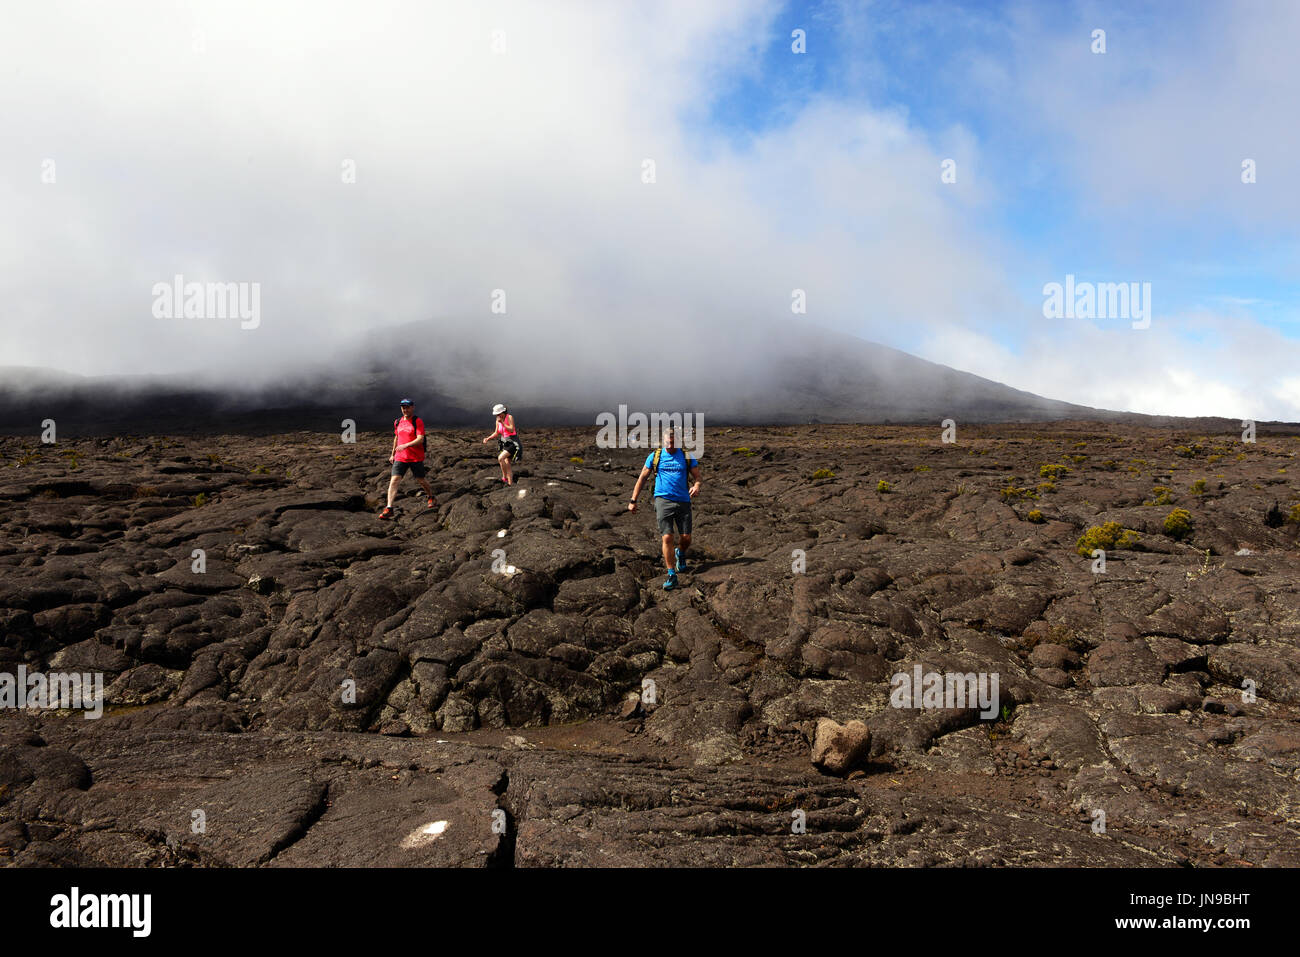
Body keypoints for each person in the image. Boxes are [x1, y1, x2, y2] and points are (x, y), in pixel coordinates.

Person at [628, 427, 701, 590]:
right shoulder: (655, 456)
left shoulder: (686, 456)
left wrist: (696, 486)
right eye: (667, 442)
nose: (670, 445)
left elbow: (697, 477)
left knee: (686, 538)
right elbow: (642, 478)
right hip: (663, 500)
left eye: (673, 442)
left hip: (683, 501)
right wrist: (633, 500)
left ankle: (680, 552)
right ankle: (671, 574)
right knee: (667, 537)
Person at [381, 398, 435, 519]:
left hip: (415, 457)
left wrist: (406, 445)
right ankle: (389, 508)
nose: (405, 410)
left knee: (421, 480)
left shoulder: (417, 421)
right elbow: (396, 438)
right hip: (400, 457)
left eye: (407, 407)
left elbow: (420, 439)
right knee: (394, 480)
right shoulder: (397, 422)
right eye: (403, 407)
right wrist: (392, 454)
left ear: (412, 408)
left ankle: (431, 496)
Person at [482, 403, 521, 485]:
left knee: (500, 458)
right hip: (505, 443)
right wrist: (488, 438)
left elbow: (511, 429)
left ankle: (504, 477)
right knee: (507, 464)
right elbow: (496, 433)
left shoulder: (509, 417)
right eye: (496, 414)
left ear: (503, 412)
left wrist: (503, 423)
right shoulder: (497, 420)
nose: (497, 416)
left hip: (512, 442)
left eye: (498, 414)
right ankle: (510, 484)